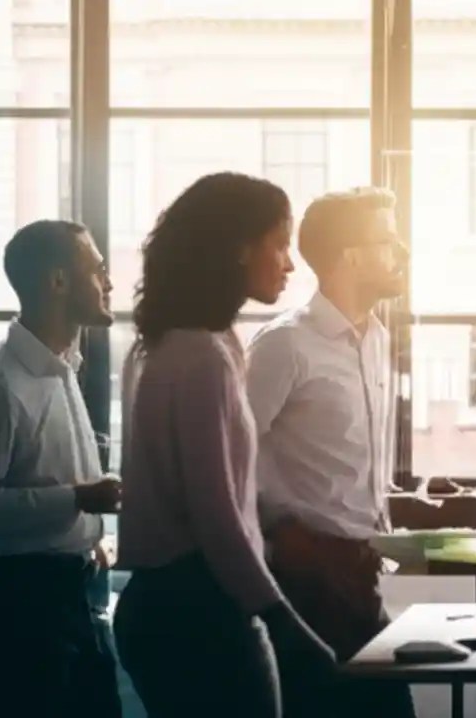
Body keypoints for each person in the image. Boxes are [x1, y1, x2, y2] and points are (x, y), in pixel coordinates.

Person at [113, 172, 335, 718]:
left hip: (163, 605)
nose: (289, 263)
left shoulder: (162, 346)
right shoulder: (203, 358)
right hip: (196, 611)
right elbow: (216, 517)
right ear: (239, 248)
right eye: (280, 243)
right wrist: (284, 622)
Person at [245, 188, 414, 718]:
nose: (402, 251)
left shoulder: (377, 337)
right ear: (349, 255)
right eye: (387, 239)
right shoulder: (283, 346)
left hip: (360, 570)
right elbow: (228, 459)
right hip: (305, 577)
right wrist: (275, 535)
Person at [0, 220, 123, 718]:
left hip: (80, 593)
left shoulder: (63, 368)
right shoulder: (4, 385)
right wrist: (77, 500)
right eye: (98, 269)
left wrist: (90, 536)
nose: (109, 283)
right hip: (27, 605)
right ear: (57, 282)